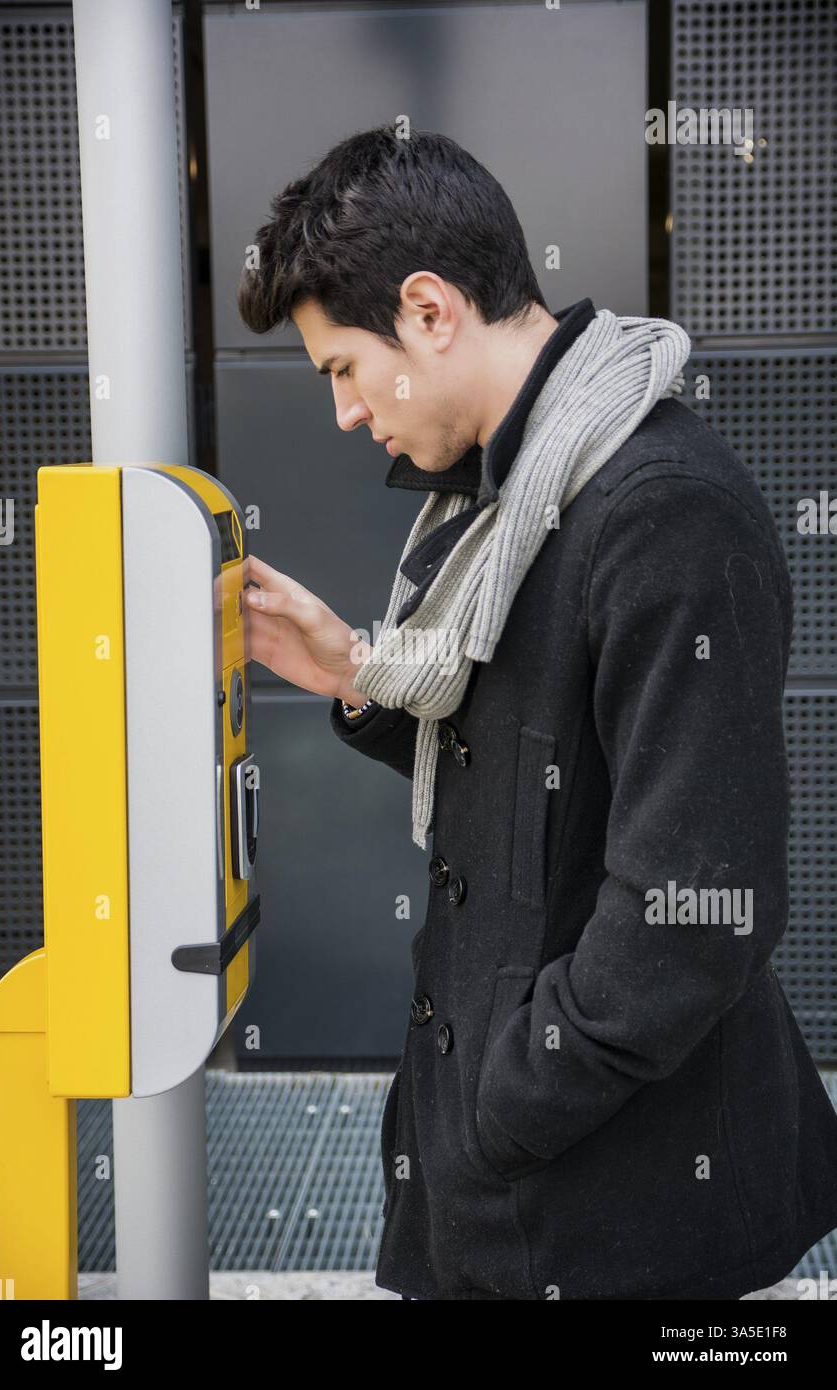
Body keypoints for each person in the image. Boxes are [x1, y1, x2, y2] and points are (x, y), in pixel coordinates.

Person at [236, 124, 837, 1300]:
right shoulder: (513, 498)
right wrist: (356, 669)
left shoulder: (659, 511)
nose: (346, 415)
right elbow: (528, 769)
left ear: (426, 310)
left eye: (341, 371)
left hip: (627, 1218)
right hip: (515, 1203)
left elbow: (690, 913)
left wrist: (500, 1108)